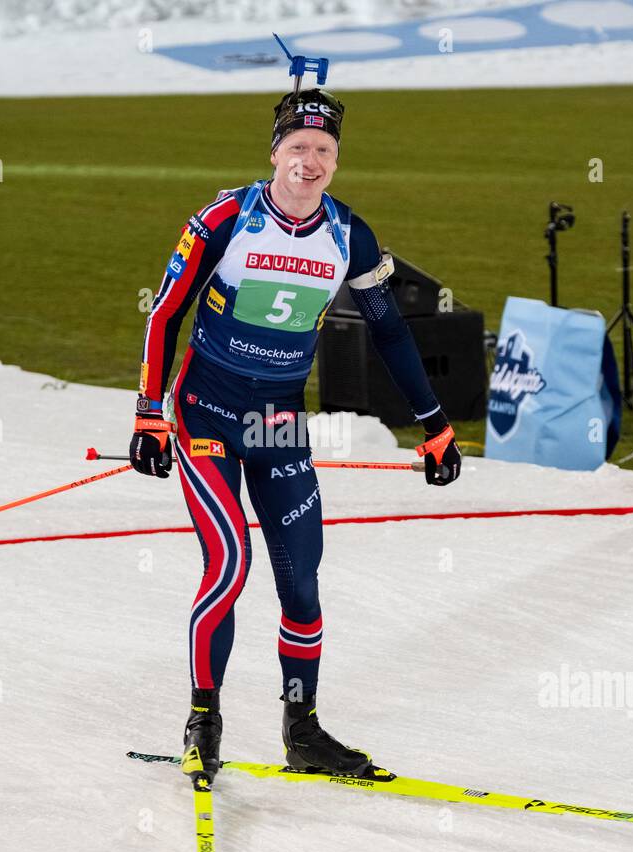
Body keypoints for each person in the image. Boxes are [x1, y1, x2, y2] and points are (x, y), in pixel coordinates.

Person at [129, 85, 462, 787]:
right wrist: (149, 413)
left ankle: (301, 730)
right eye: (298, 148)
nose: (309, 163)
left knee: (302, 582)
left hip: (277, 422)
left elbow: (391, 331)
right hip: (208, 415)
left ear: (336, 162)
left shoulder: (350, 235)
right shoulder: (226, 217)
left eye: (324, 151)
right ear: (275, 152)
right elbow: (164, 315)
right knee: (229, 566)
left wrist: (433, 425)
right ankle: (203, 721)